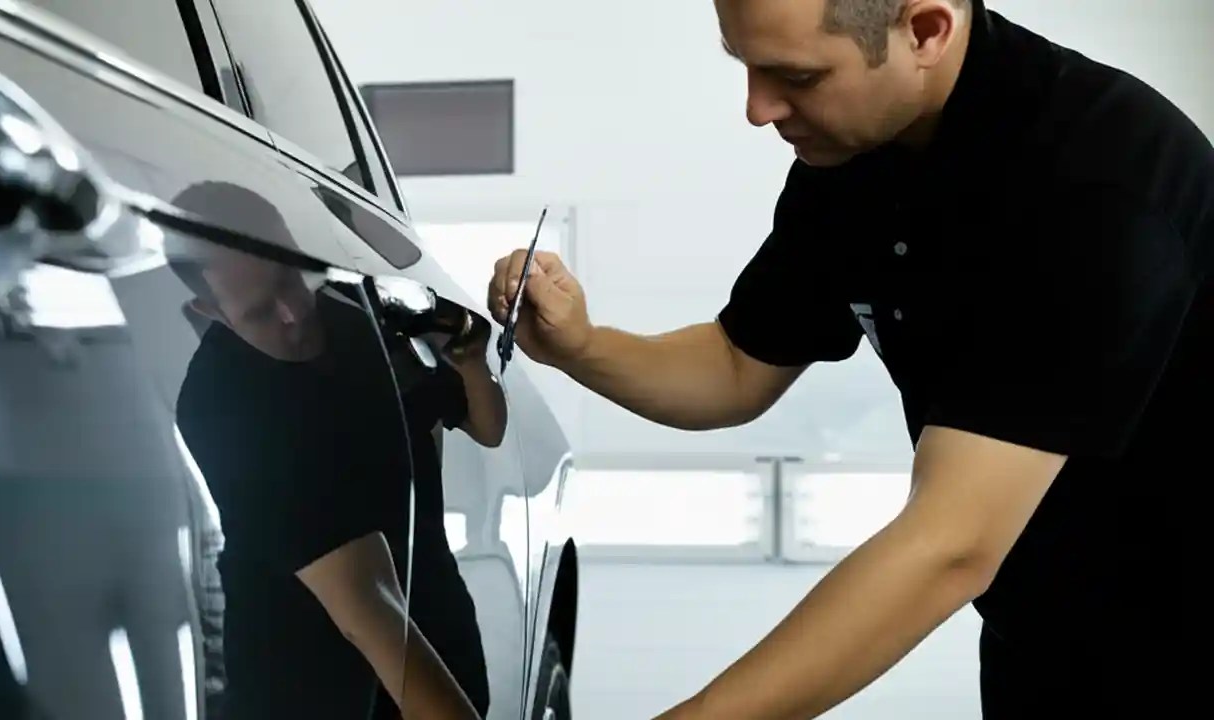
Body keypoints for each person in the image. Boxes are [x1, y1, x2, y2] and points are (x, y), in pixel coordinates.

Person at [489, 0, 1211, 717]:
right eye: (745, 67)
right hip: (1042, 638)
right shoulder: (855, 155)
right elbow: (737, 365)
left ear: (926, 30)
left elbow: (952, 543)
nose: (758, 108)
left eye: (796, 77)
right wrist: (579, 347)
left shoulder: (1099, 183)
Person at [168, 182, 494, 719]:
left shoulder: (359, 322)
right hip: (309, 690)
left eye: (289, 277)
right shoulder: (223, 408)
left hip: (434, 643)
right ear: (209, 309)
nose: (294, 313)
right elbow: (367, 604)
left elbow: (469, 420)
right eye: (259, 311)